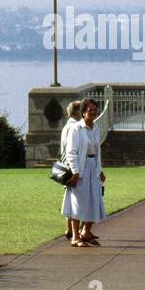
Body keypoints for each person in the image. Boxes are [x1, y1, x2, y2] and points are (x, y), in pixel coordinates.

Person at [62, 98, 105, 247]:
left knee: (95, 199)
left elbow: (97, 151)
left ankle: (86, 231)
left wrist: (100, 170)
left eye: (94, 109)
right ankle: (75, 236)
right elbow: (71, 152)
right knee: (78, 202)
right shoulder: (76, 129)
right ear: (83, 112)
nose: (92, 112)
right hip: (81, 167)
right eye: (89, 110)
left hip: (93, 166)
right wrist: (75, 172)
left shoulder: (96, 128)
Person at [59, 100, 84, 240]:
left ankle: (69, 229)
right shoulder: (75, 127)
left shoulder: (66, 126)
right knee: (74, 199)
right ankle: (72, 230)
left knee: (70, 197)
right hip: (71, 167)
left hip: (65, 165)